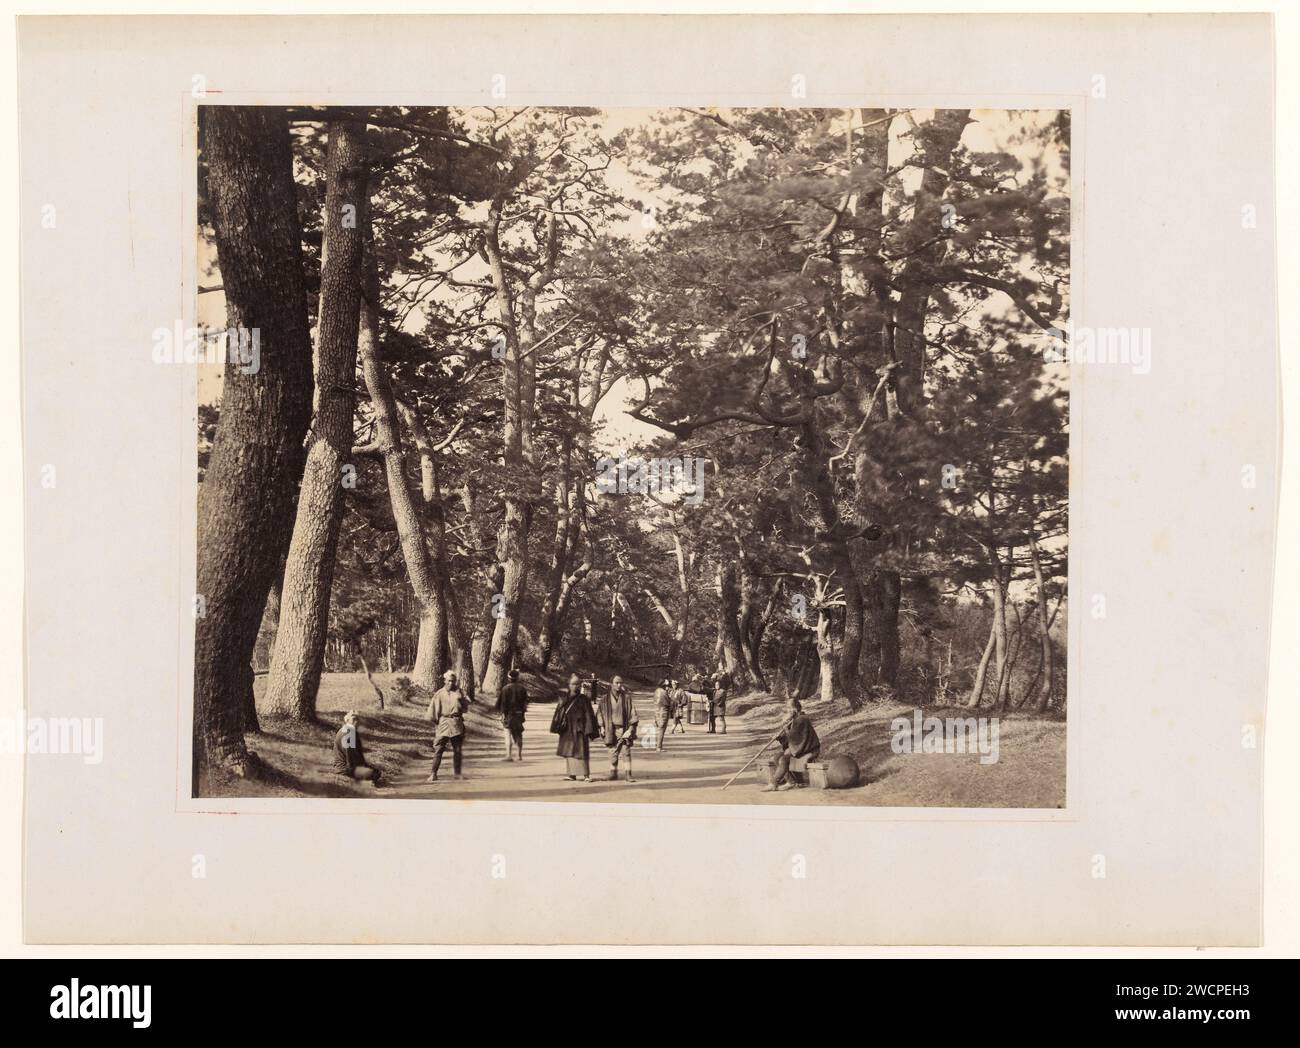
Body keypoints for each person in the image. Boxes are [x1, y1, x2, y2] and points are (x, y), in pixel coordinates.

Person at [764, 698, 821, 792]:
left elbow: (794, 737)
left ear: (795, 709)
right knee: (777, 757)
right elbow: (790, 739)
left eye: (789, 708)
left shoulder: (802, 719)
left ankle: (773, 783)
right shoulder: (794, 720)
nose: (788, 710)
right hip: (800, 748)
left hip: (808, 750)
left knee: (784, 759)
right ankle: (791, 782)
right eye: (787, 708)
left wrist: (785, 726)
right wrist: (779, 737)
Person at [552, 673, 600, 781]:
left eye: (578, 684)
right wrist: (557, 726)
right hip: (568, 728)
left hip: (580, 729)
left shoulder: (584, 699)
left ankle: (586, 775)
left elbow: (589, 715)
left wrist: (589, 730)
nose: (576, 686)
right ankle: (571, 774)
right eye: (573, 684)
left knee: (582, 752)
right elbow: (558, 713)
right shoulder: (564, 698)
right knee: (569, 752)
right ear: (569, 685)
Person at [425, 669, 469, 783]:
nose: (451, 683)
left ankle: (457, 774)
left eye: (453, 681)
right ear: (445, 681)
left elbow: (466, 708)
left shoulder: (460, 692)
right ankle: (433, 773)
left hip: (456, 722)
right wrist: (437, 724)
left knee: (457, 750)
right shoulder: (439, 694)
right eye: (449, 681)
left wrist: (462, 699)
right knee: (439, 749)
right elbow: (433, 711)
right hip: (443, 722)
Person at [597, 675, 640, 781]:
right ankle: (613, 773)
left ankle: (628, 774)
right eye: (617, 683)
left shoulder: (627, 698)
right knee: (612, 752)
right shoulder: (605, 699)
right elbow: (599, 713)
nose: (619, 685)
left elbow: (633, 713)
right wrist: (601, 727)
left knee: (626, 751)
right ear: (611, 684)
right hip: (610, 729)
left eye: (621, 683)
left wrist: (630, 729)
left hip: (624, 728)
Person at [333, 711, 382, 785]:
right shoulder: (349, 733)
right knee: (375, 773)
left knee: (374, 771)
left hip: (341, 767)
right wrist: (359, 769)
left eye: (358, 719)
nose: (356, 722)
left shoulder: (345, 730)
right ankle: (360, 781)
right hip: (345, 769)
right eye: (354, 719)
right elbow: (350, 756)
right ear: (347, 720)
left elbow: (355, 755)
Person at [497, 668, 529, 761]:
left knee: (508, 733)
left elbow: (502, 704)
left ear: (509, 678)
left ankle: (509, 755)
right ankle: (519, 755)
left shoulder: (505, 689)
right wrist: (523, 713)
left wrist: (502, 714)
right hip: (519, 714)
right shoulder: (522, 689)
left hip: (508, 715)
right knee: (518, 734)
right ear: (517, 678)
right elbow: (525, 703)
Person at [652, 678, 674, 751]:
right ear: (664, 685)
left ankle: (658, 746)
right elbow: (669, 703)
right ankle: (659, 747)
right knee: (661, 730)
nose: (668, 687)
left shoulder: (656, 691)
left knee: (659, 729)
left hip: (656, 711)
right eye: (667, 685)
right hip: (663, 712)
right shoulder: (664, 692)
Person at [714, 669, 731, 735]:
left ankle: (724, 730)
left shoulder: (722, 691)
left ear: (720, 685)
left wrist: (719, 704)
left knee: (721, 718)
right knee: (717, 718)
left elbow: (723, 699)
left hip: (720, 706)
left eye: (717, 685)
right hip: (716, 707)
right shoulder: (715, 691)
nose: (716, 686)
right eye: (716, 685)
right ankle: (714, 729)